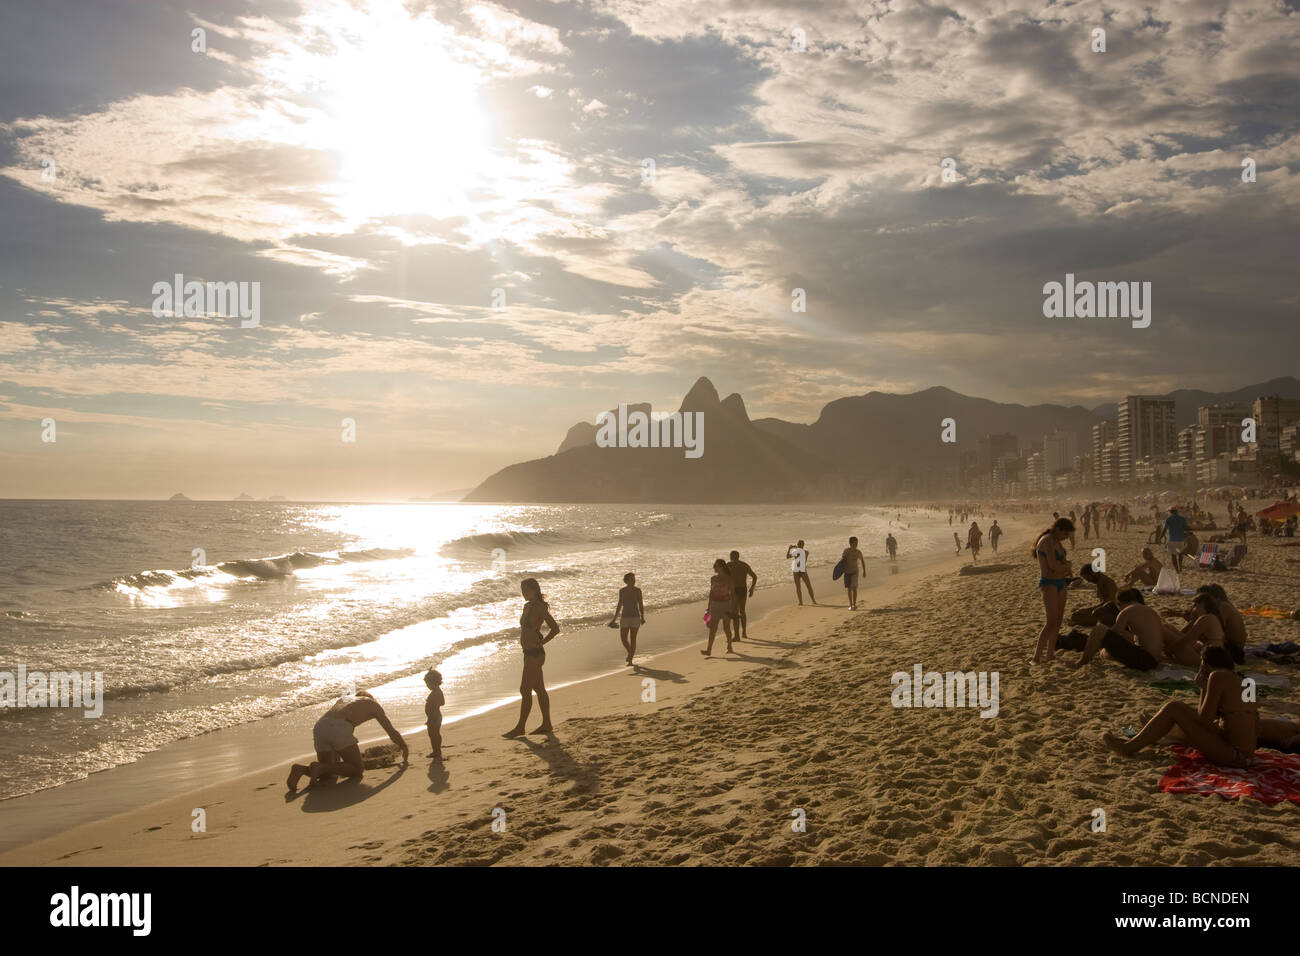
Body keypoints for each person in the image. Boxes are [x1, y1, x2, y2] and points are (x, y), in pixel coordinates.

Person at [1102, 646, 1257, 768]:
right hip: (1244, 753)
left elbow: (1204, 720)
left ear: (1208, 666)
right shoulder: (1244, 681)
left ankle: (1129, 747)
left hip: (1235, 755)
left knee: (1174, 707)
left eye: (1203, 669)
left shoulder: (1217, 677)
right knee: (1179, 711)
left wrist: (1203, 688)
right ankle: (1146, 735)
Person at [286, 689, 409, 791]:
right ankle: (319, 767)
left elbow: (332, 730)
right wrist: (403, 746)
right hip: (339, 727)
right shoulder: (373, 705)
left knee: (329, 773)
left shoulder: (344, 700)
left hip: (320, 726)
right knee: (357, 769)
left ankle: (302, 769)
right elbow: (391, 732)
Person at [503, 578, 560, 738]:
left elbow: (555, 629)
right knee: (538, 689)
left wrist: (542, 642)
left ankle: (520, 727)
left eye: (527, 590)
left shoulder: (540, 608)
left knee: (524, 689)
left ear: (535, 590)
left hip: (535, 654)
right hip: (528, 653)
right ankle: (547, 723)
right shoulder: (527, 606)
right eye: (522, 590)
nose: (524, 593)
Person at [1074, 589, 1164, 670]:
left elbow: (1114, 633)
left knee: (1099, 630)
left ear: (1118, 603)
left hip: (1144, 659)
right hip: (1154, 661)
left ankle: (1082, 662)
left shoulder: (1126, 611)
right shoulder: (1150, 611)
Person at [1032, 517, 1075, 665]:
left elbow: (1062, 564)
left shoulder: (1056, 541)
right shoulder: (1046, 541)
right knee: (1050, 622)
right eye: (1065, 535)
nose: (1066, 538)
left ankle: (1050, 654)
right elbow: (1053, 566)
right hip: (1049, 583)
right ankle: (1036, 657)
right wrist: (1066, 566)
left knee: (1058, 621)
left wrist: (1065, 567)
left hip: (1061, 583)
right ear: (1058, 529)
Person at [1159, 592, 1225, 667]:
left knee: (1164, 631)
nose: (1192, 608)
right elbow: (1183, 634)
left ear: (1205, 608)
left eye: (1195, 605)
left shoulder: (1206, 618)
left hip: (1205, 662)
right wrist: (1193, 620)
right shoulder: (1210, 617)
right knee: (1167, 627)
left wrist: (1170, 649)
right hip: (1206, 657)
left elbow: (1185, 640)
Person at [702, 558, 735, 657]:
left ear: (721, 567)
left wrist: (733, 608)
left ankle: (729, 646)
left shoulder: (729, 578)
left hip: (726, 605)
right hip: (715, 605)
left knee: (726, 628)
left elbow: (733, 594)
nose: (715, 568)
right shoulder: (713, 578)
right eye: (714, 566)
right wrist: (708, 607)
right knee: (713, 628)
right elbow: (711, 593)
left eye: (716, 566)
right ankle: (709, 650)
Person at [610, 572, 645, 666]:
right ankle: (630, 653)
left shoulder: (638, 591)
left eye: (634, 579)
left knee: (633, 639)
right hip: (624, 617)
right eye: (631, 579)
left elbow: (641, 605)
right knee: (623, 639)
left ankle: (630, 660)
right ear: (626, 581)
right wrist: (614, 619)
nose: (634, 581)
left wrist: (642, 617)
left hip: (635, 617)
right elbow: (619, 605)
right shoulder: (622, 591)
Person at [726, 550, 758, 641]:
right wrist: (752, 588)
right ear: (738, 556)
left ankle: (737, 636)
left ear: (732, 556)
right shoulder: (744, 565)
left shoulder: (729, 565)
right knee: (742, 611)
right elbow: (754, 576)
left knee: (735, 613)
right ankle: (744, 632)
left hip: (734, 590)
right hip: (743, 589)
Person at [423, 669, 445, 762]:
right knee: (435, 734)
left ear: (433, 682)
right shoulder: (436, 691)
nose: (427, 686)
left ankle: (436, 751)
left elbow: (442, 702)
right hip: (435, 716)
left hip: (434, 716)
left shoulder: (436, 692)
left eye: (428, 684)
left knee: (433, 734)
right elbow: (442, 702)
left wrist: (432, 704)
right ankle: (437, 750)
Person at [786, 540, 816, 605]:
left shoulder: (805, 552)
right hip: (796, 571)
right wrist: (789, 549)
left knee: (808, 586)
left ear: (803, 545)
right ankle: (800, 602)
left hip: (802, 571)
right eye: (799, 544)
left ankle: (813, 600)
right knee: (798, 587)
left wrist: (793, 548)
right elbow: (787, 557)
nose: (800, 546)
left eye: (801, 545)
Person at [841, 536, 867, 611]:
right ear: (850, 543)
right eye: (854, 543)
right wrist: (840, 571)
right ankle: (850, 604)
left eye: (856, 543)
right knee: (849, 589)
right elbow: (842, 561)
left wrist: (864, 571)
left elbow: (862, 561)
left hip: (855, 571)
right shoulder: (846, 551)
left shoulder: (858, 552)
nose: (856, 545)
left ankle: (854, 604)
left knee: (854, 588)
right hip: (847, 572)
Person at [1163, 507, 1189, 572]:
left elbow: (1164, 529)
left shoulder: (1168, 519)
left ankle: (1177, 569)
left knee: (1173, 555)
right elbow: (1186, 528)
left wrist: (1160, 537)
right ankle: (1180, 566)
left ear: (1170, 512)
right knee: (1180, 554)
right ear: (1177, 512)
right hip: (1181, 539)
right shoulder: (1182, 519)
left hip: (1172, 539)